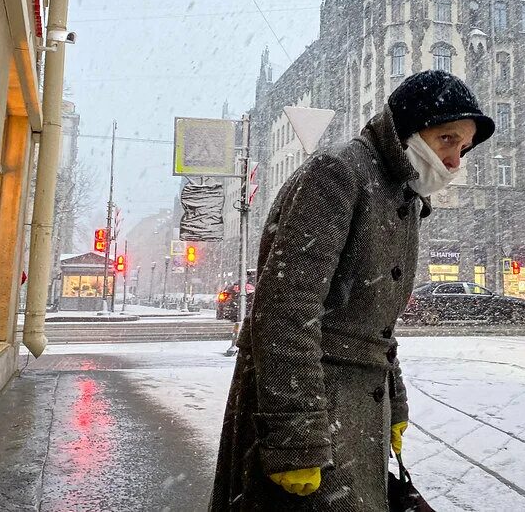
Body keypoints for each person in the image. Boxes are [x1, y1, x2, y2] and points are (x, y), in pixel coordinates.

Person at [210, 70, 494, 511]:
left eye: (463, 148)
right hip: (315, 409)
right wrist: (294, 438)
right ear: (408, 129)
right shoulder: (338, 173)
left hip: (354, 413)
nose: (455, 160)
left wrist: (395, 403)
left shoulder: (401, 192)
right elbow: (286, 310)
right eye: (447, 139)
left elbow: (378, 328)